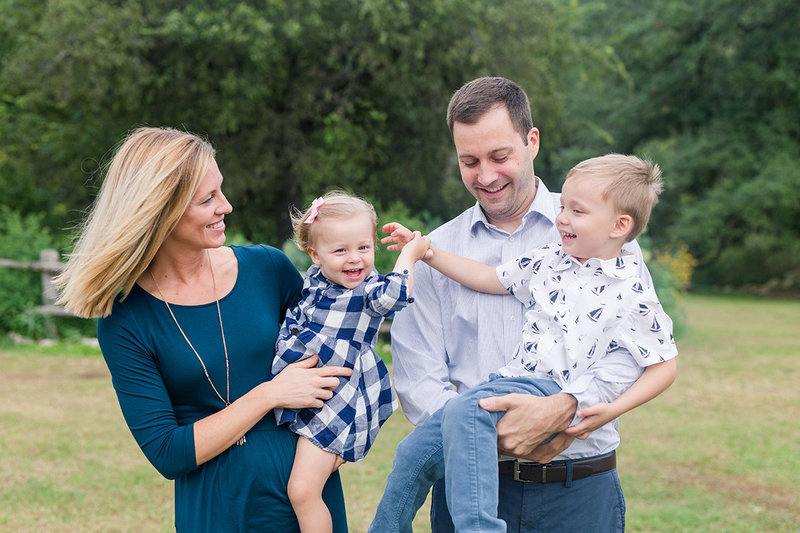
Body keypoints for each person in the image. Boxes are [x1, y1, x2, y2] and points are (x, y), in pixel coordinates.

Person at [389, 77, 660, 532]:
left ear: (531, 141)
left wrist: (567, 407)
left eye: (499, 156)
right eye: (469, 161)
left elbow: (629, 353)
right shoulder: (434, 251)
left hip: (579, 491)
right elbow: (419, 380)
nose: (486, 176)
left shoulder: (599, 231)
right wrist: (495, 438)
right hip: (467, 490)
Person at [54, 127, 353, 532]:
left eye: (221, 191)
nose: (226, 206)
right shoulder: (125, 320)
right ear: (162, 209)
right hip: (219, 509)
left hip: (309, 499)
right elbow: (166, 452)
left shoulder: (268, 269)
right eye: (208, 198)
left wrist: (347, 437)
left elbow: (344, 348)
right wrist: (269, 394)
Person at [270, 191, 429, 532]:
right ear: (315, 255)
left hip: (335, 401)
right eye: (340, 250)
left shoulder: (367, 292)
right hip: (311, 394)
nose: (354, 259)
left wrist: (410, 254)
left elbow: (396, 292)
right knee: (300, 484)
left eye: (363, 248)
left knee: (302, 491)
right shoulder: (319, 280)